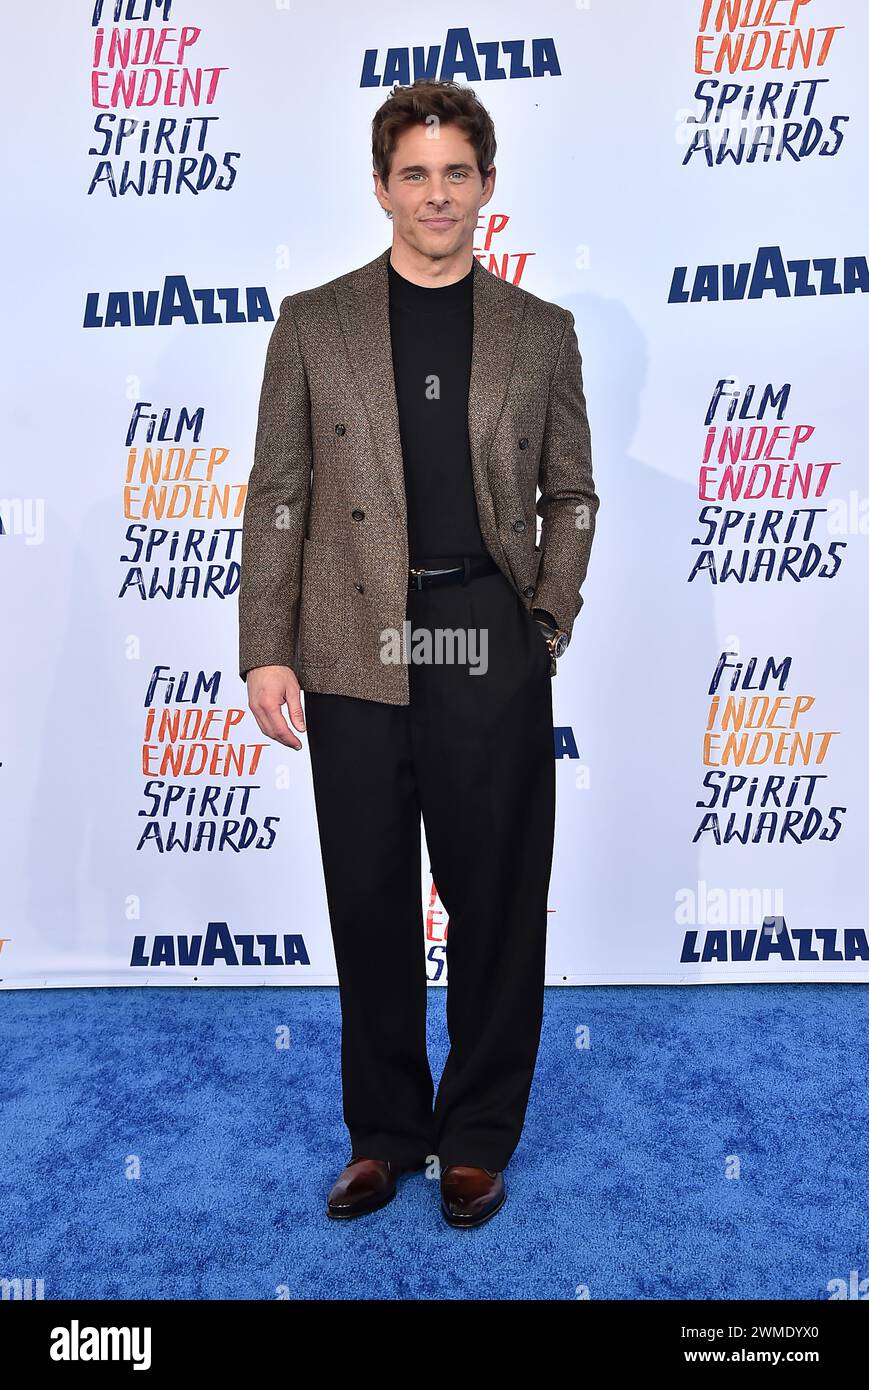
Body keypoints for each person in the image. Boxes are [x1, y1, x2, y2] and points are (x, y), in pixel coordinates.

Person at [238, 78, 599, 1228]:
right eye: (414, 174)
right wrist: (265, 646)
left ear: (486, 186)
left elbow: (571, 495)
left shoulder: (539, 335)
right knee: (370, 895)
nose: (435, 195)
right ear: (381, 186)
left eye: (456, 173)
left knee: (495, 895)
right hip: (352, 643)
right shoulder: (313, 321)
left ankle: (478, 1134)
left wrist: (542, 623)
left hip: (483, 637)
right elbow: (279, 495)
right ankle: (385, 1133)